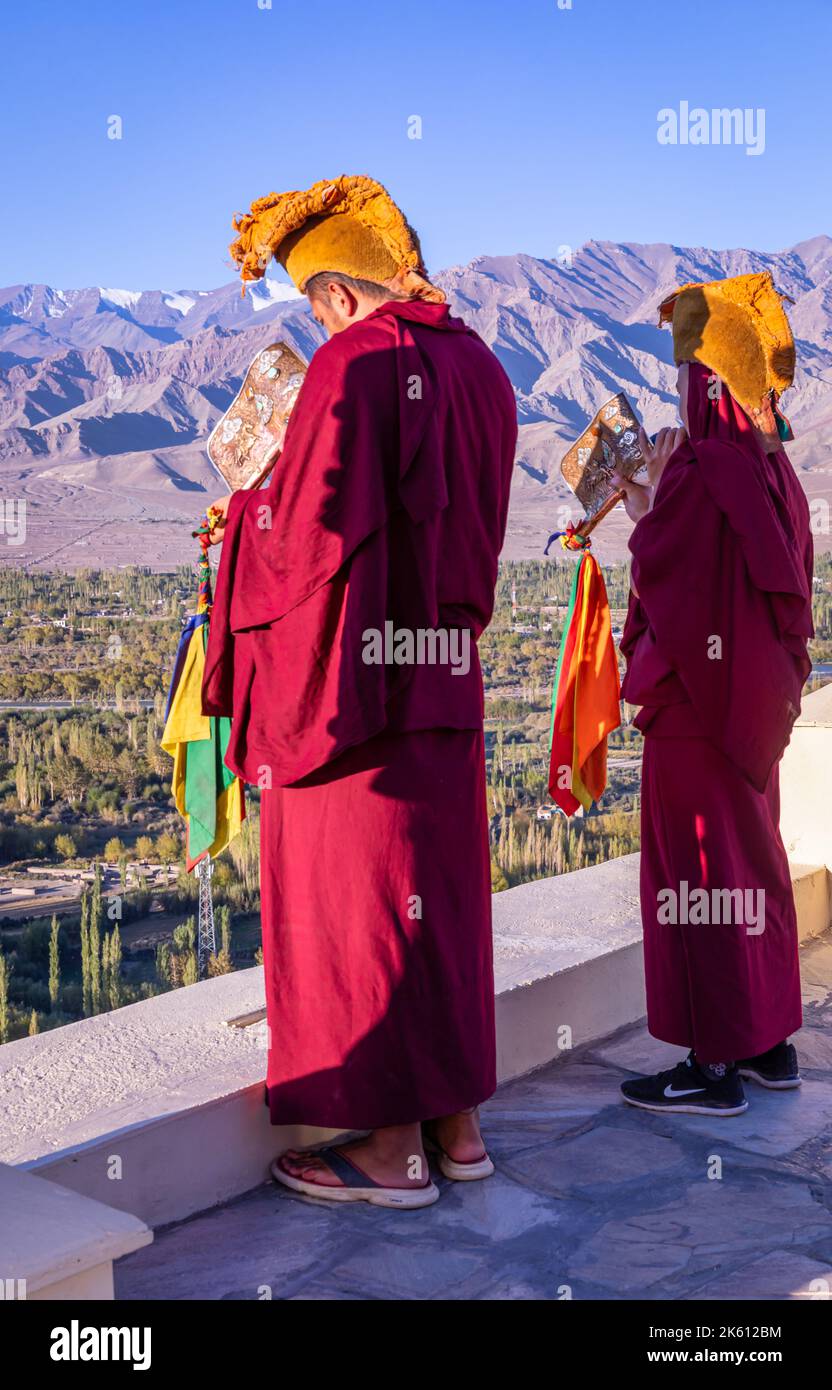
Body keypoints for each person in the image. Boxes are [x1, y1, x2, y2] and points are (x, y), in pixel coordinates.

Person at [201, 175, 517, 1205]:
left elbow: (311, 547)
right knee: (440, 908)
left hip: (355, 694)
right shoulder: (483, 367)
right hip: (442, 678)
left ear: (334, 295)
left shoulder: (352, 365)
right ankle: (456, 1130)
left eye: (311, 306)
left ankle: (388, 1151)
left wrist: (241, 518)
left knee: (371, 909)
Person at [612, 272, 813, 1117]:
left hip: (697, 714)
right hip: (753, 715)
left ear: (705, 378)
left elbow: (673, 573)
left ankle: (712, 1064)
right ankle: (767, 1043)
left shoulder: (702, 470)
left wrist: (647, 506)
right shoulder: (778, 473)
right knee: (752, 872)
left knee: (697, 879)